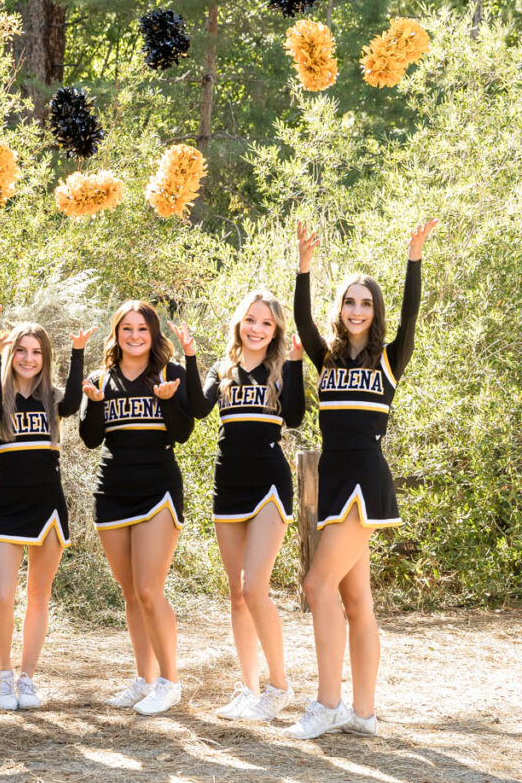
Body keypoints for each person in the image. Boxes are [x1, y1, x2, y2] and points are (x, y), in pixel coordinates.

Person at [289, 219, 437, 739]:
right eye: (350, 302)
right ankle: (365, 713)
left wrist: (413, 258)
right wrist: (304, 265)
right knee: (356, 600)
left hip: (364, 482)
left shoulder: (391, 359)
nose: (357, 310)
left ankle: (328, 704)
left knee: (316, 583)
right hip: (332, 481)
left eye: (366, 303)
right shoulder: (326, 358)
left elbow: (413, 315)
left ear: (375, 312)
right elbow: (303, 320)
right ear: (342, 308)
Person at [178, 292, 304, 723]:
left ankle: (279, 686)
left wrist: (300, 366)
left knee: (254, 588)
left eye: (266, 323)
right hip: (228, 484)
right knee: (236, 595)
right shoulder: (223, 368)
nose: (256, 328)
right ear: (240, 323)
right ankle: (250, 689)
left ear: (276, 331)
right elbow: (196, 409)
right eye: (250, 320)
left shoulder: (283, 369)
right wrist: (192, 357)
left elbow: (299, 417)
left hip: (269, 482)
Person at [79, 301, 193, 716]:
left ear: (153, 334)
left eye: (142, 329)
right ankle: (144, 680)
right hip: (112, 490)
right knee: (130, 594)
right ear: (117, 333)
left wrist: (166, 401)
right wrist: (93, 402)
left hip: (157, 489)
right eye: (127, 328)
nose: (134, 336)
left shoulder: (171, 373)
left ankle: (169, 681)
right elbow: (91, 440)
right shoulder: (100, 378)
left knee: (149, 589)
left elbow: (183, 433)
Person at [0, 309, 93, 711]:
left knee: (39, 596)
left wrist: (77, 353)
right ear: (12, 355)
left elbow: (77, 402)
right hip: (7, 508)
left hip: (48, 505)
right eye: (22, 351)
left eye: (37, 352)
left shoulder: (54, 400)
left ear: (46, 357)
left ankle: (28, 677)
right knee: (4, 596)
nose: (29, 358)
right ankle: (4, 675)